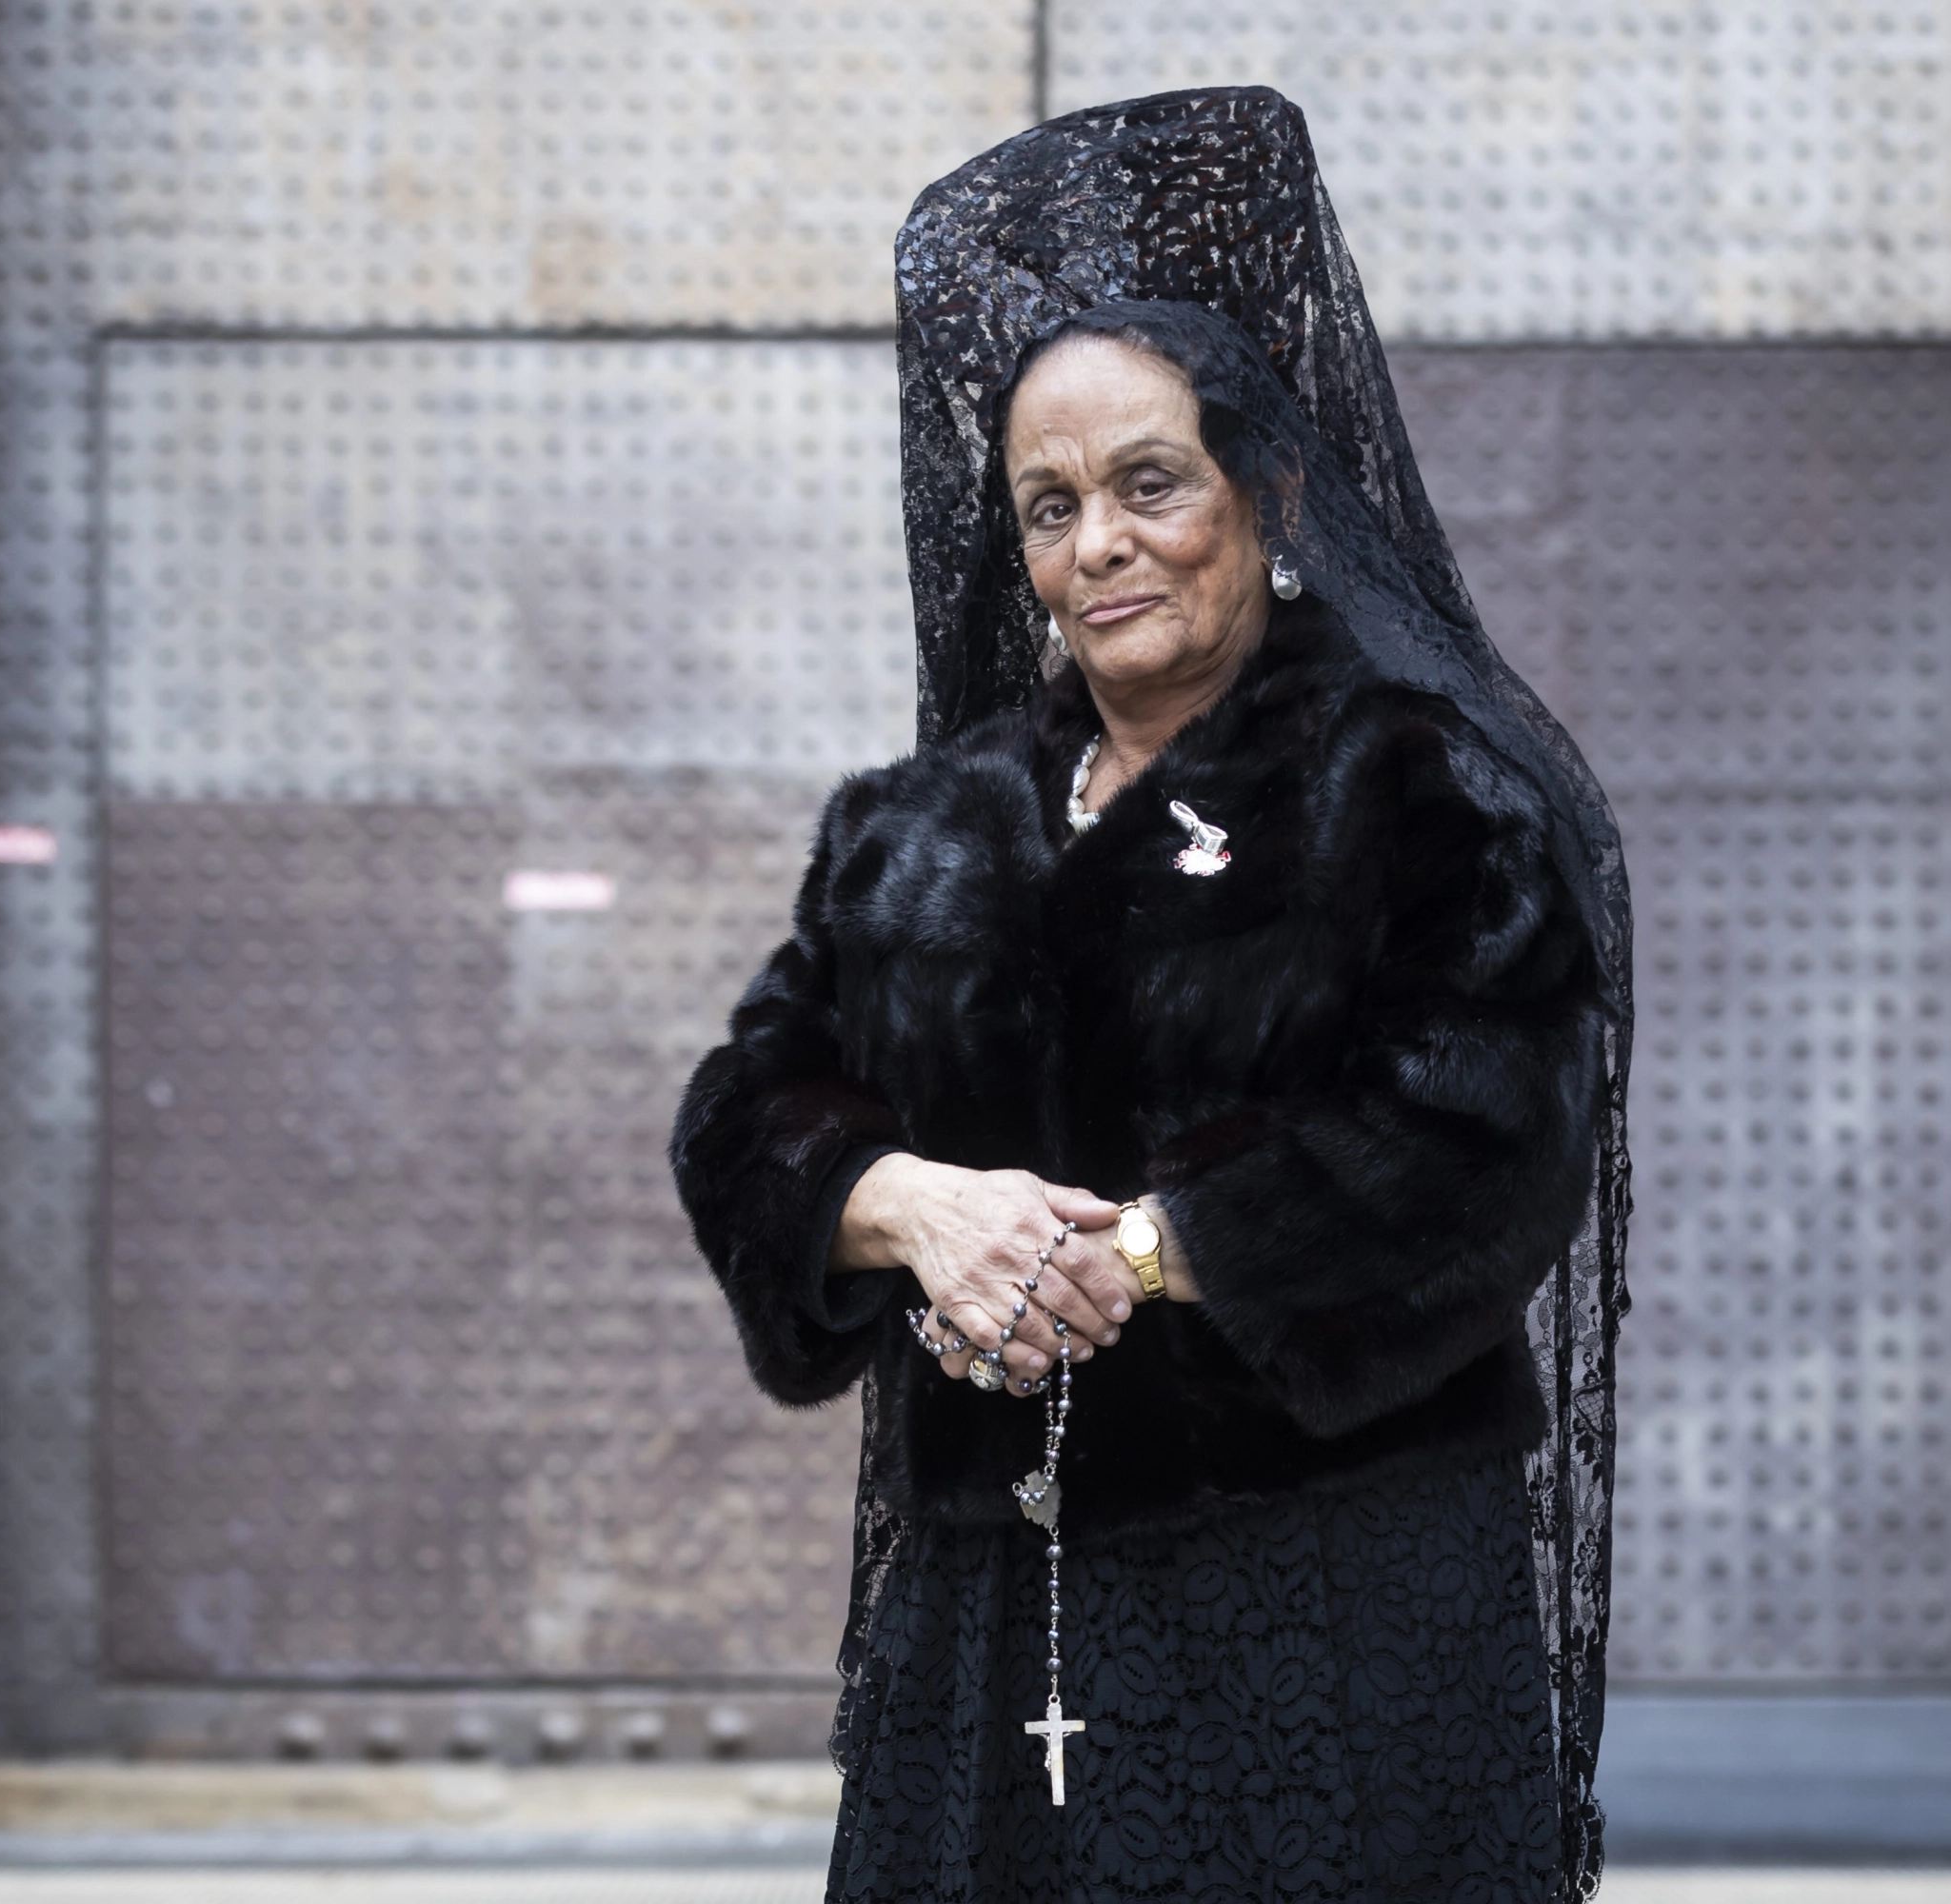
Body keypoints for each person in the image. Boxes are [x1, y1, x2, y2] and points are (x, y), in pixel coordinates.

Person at [671, 88, 1632, 1902]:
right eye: (1048, 506)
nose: (1096, 541)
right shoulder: (918, 826)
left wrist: (1125, 1255)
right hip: (988, 1624)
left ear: (1266, 493)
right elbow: (746, 1112)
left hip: (1333, 1610)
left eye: (1147, 482)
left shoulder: (1422, 787)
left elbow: (1479, 1143)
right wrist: (903, 1208)